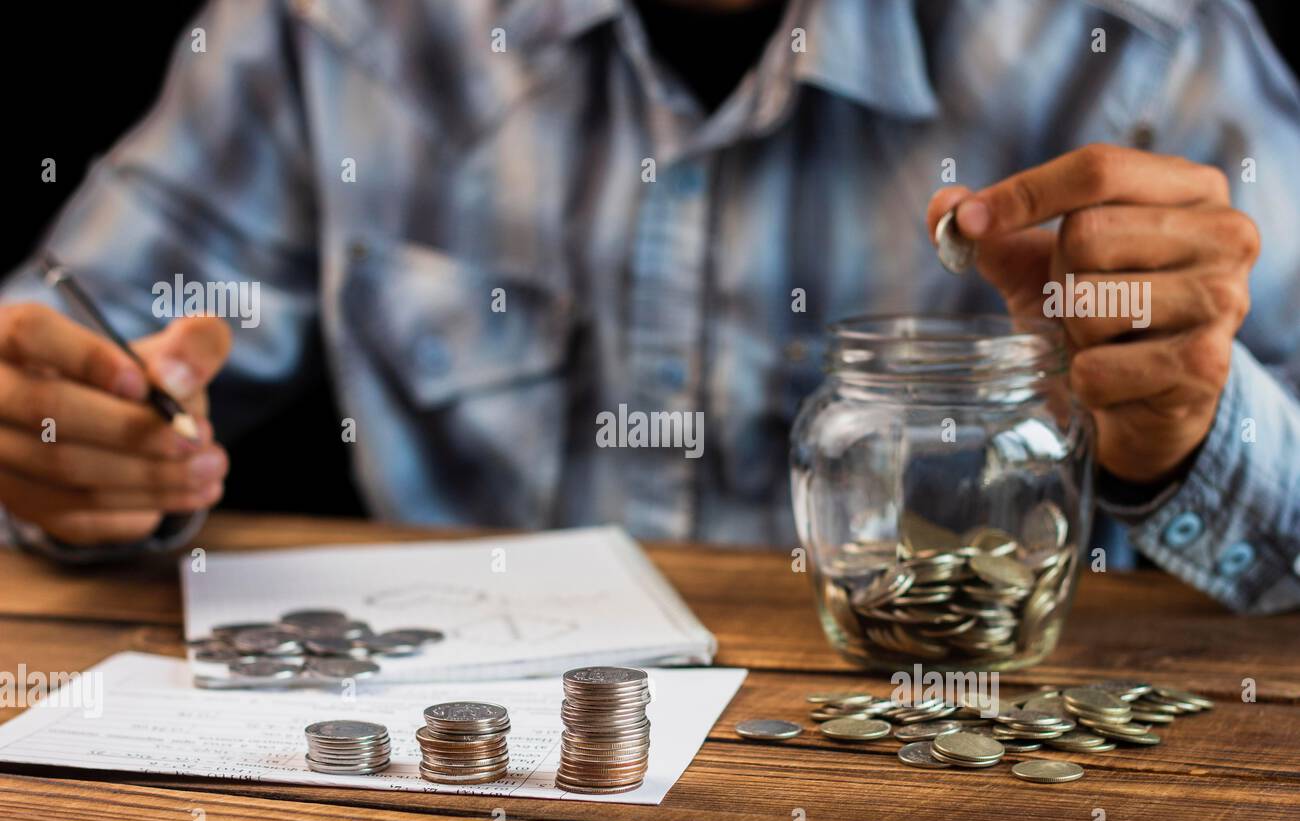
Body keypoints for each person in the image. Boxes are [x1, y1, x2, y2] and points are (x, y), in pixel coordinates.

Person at [0, 0, 1296, 614]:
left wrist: (1187, 424)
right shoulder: (329, 28)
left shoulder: (1141, 43)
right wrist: (69, 440)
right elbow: (73, 352)